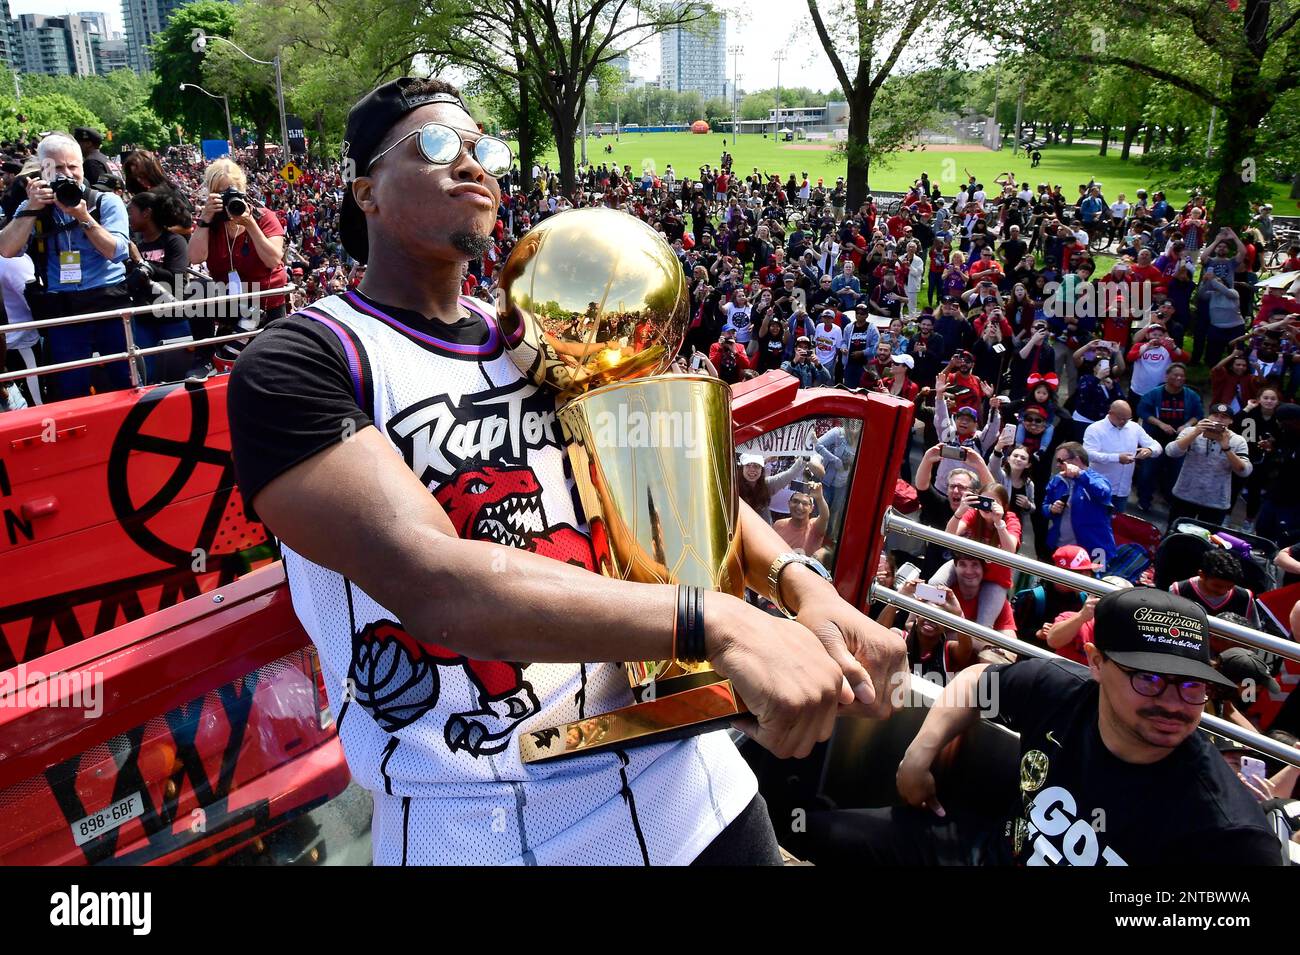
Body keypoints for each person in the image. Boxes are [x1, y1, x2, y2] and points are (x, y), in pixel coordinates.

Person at [226, 78, 907, 866]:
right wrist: (716, 620)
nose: (472, 163)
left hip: (696, 782)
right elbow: (438, 585)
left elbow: (663, 471)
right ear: (363, 192)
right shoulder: (304, 361)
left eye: (484, 149)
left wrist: (801, 583)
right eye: (437, 145)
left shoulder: (529, 325)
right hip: (492, 823)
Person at [803, 589, 1282, 865]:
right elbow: (976, 681)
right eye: (1150, 679)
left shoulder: (1229, 835)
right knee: (813, 831)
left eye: (1192, 686)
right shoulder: (1064, 692)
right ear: (1095, 664)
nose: (1173, 704)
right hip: (982, 851)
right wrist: (919, 754)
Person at [0, 132, 132, 400]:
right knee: (71, 390)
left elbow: (117, 252)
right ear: (43, 170)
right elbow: (7, 249)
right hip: (64, 309)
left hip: (109, 303)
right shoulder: (33, 207)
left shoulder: (105, 201)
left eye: (73, 166)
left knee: (126, 382)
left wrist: (83, 216)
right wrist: (32, 209)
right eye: (57, 168)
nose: (67, 174)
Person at [187, 157, 289, 353]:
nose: (228, 198)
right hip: (233, 304)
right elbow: (195, 258)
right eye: (220, 193)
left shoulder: (264, 217)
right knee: (195, 289)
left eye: (232, 192)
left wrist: (250, 224)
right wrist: (205, 219)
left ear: (243, 191)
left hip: (265, 304)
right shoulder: (210, 223)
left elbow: (273, 259)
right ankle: (204, 358)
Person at [1164, 403, 1252, 529]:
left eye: (1224, 417)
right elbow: (1171, 452)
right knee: (1174, 535)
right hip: (1185, 495)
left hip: (1216, 503)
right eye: (1215, 415)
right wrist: (1195, 433)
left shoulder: (1238, 440)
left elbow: (1244, 471)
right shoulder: (1191, 431)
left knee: (1205, 543)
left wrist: (1226, 448)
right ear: (1208, 416)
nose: (1218, 419)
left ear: (1230, 421)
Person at [1042, 442, 1116, 572]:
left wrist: (1080, 475)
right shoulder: (1058, 480)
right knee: (1058, 587)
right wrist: (1051, 509)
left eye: (1061, 460)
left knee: (1093, 589)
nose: (1058, 465)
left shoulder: (1096, 479)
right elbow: (1044, 506)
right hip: (1062, 548)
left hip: (1094, 549)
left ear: (1076, 459)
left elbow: (1103, 492)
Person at [1169, 550, 1262, 653]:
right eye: (1217, 586)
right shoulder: (1180, 591)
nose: (1223, 591)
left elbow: (1254, 636)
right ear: (1202, 575)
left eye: (1229, 587)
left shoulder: (1244, 597)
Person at [1081, 400, 1161, 514]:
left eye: (1128, 418)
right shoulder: (1095, 429)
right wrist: (1117, 458)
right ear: (1110, 413)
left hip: (1123, 491)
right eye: (1121, 418)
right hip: (1099, 488)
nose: (1124, 422)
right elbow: (1088, 455)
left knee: (1117, 526)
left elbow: (1157, 446)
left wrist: (1149, 450)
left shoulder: (1134, 427)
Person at [1011, 545, 1096, 650]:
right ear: (1063, 574)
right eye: (1082, 572)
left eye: (1088, 571)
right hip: (1035, 657)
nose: (1089, 577)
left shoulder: (1083, 598)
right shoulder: (1035, 597)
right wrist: (1037, 633)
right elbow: (1014, 632)